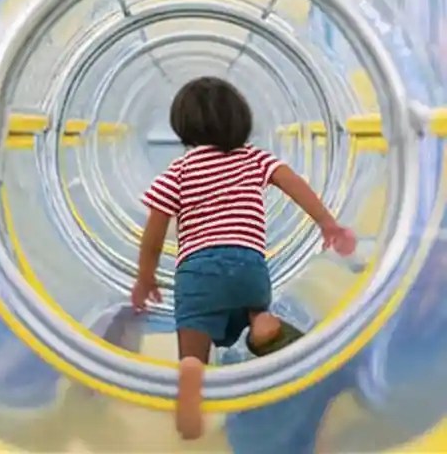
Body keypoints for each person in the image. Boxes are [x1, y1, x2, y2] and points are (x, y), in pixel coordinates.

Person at [130, 76, 356, 440]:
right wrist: (328, 225)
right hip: (249, 264)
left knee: (194, 329)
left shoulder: (179, 172)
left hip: (198, 268)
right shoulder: (255, 159)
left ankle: (191, 368)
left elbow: (155, 231)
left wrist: (145, 277)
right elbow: (294, 183)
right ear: (241, 120)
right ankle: (262, 324)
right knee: (252, 309)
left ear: (181, 126)